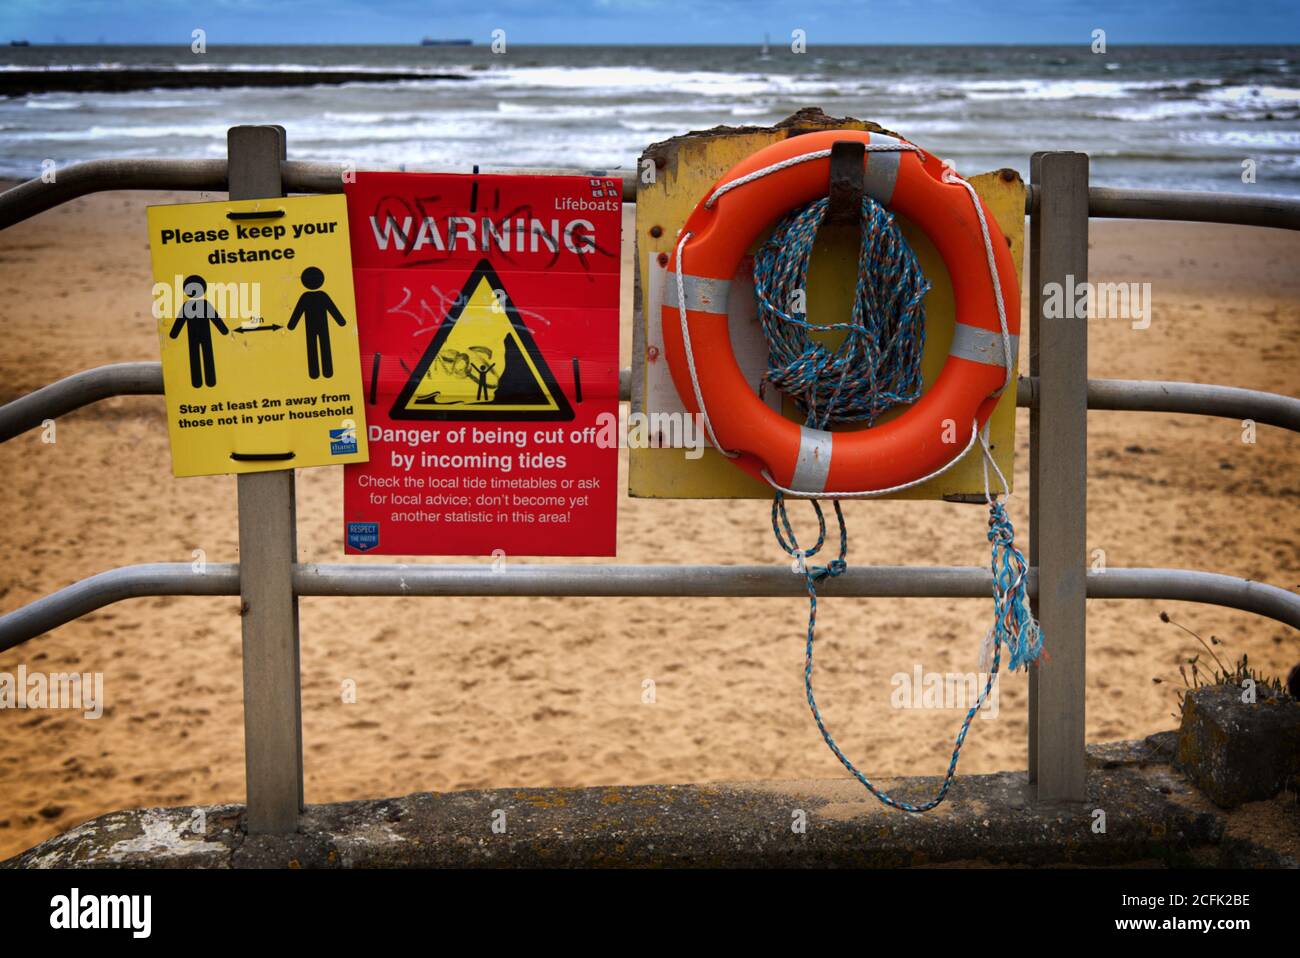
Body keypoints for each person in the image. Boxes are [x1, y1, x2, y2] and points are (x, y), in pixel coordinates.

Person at [288, 266, 347, 379]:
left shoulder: (305, 297)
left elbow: (297, 312)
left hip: (310, 327)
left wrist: (292, 325)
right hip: (323, 326)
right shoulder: (322, 296)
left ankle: (314, 373)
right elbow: (333, 310)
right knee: (325, 346)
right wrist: (341, 321)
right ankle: (327, 371)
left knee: (312, 348)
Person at [169, 274, 228, 388]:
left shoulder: (188, 305)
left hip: (193, 336)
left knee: (195, 356)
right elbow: (216, 320)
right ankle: (210, 381)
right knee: (207, 356)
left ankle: (198, 382)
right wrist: (224, 330)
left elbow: (179, 322)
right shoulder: (204, 304)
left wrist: (174, 334)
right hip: (204, 335)